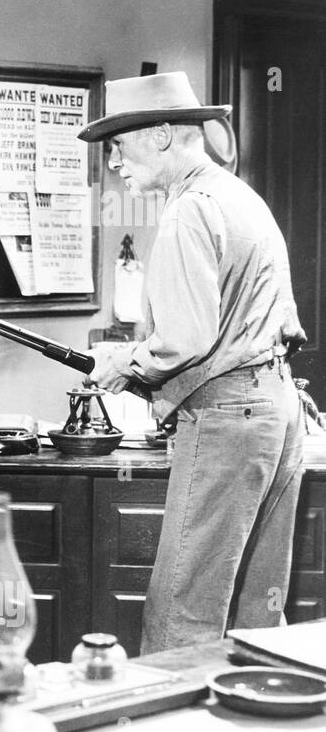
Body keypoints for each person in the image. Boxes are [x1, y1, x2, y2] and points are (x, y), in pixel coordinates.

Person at [80, 72, 304, 655]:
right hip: (277, 407)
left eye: (119, 146)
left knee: (182, 610)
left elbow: (184, 340)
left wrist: (121, 361)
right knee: (259, 609)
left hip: (230, 414)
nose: (114, 165)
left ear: (158, 135)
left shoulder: (187, 211)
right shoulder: (239, 195)